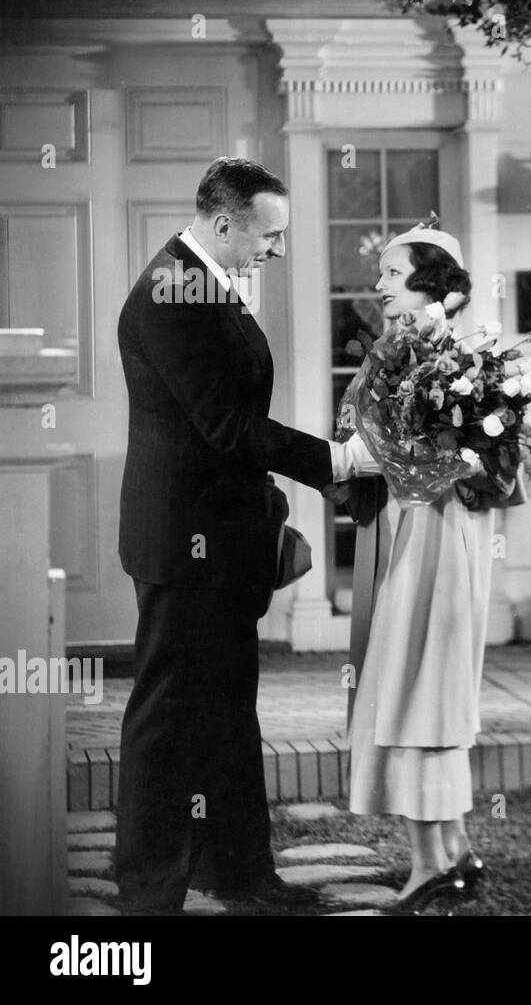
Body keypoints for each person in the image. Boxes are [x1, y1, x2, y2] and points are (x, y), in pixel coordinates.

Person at [115, 157, 361, 914]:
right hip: (184, 545)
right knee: (168, 717)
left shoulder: (203, 282)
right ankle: (150, 890)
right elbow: (228, 426)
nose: (277, 249)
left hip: (217, 543)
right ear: (225, 223)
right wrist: (337, 460)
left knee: (224, 711)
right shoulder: (172, 291)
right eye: (270, 234)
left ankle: (241, 874)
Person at [335, 223, 522, 916]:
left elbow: (404, 448)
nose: (380, 284)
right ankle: (449, 852)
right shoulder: (421, 351)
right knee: (419, 681)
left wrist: (339, 458)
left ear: (430, 281)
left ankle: (429, 865)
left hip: (435, 530)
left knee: (418, 682)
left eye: (392, 272)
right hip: (420, 525)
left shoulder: (443, 358)